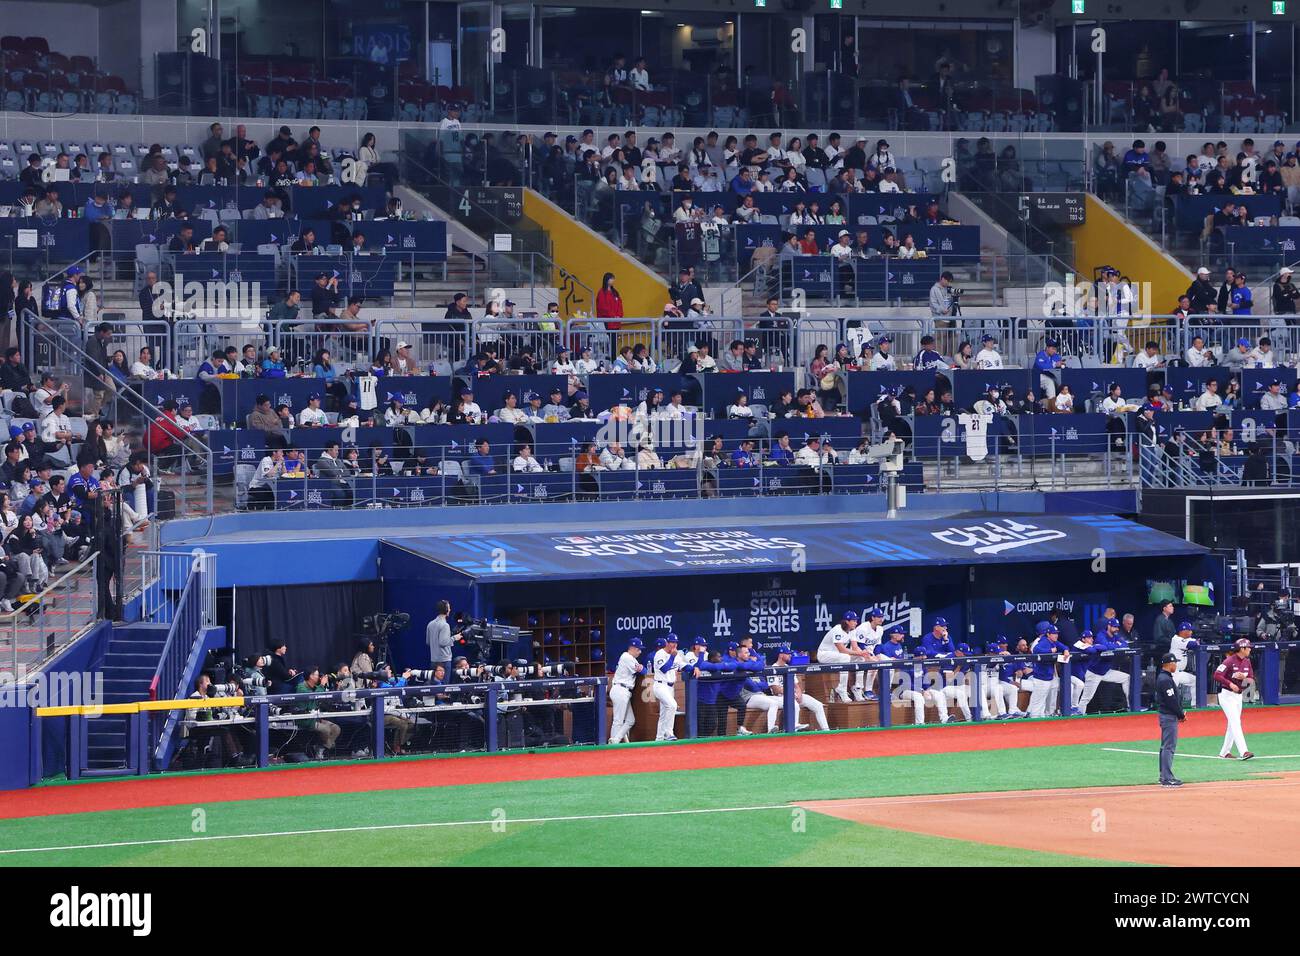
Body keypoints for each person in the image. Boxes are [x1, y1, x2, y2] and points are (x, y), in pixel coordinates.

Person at [816, 609, 872, 704]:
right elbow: (842, 649)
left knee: (860, 658)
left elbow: (855, 647)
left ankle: (858, 688)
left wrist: (864, 654)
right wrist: (860, 653)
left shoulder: (852, 630)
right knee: (845, 657)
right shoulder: (837, 630)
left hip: (838, 655)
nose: (856, 623)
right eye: (854, 621)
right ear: (847, 621)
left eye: (856, 620)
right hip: (824, 654)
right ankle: (841, 689)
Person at [1213, 638, 1256, 760]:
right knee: (1236, 722)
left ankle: (1224, 752)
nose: (1250, 649)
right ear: (1242, 648)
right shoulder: (1229, 661)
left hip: (1238, 696)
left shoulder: (1247, 662)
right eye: (1248, 647)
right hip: (1227, 695)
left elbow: (1251, 679)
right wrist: (1230, 683)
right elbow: (1217, 675)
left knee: (1232, 724)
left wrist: (1244, 678)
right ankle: (1244, 751)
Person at [1155, 652, 1186, 787]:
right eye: (1175, 663)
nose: (1176, 665)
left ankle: (1163, 776)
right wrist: (1180, 714)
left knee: (1165, 747)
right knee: (1168, 747)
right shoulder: (1165, 679)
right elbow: (1171, 701)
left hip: (1166, 715)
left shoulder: (1164, 677)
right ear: (1170, 664)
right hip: (1168, 716)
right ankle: (1167, 777)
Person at [1027, 624, 1069, 717]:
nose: (1056, 635)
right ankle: (1034, 718)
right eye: (1054, 633)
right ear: (1048, 634)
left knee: (1042, 701)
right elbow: (1036, 650)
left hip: (1047, 677)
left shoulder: (1054, 641)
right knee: (1038, 701)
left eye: (1057, 633)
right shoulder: (1044, 641)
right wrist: (1050, 650)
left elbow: (1064, 646)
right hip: (1040, 677)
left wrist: (1066, 650)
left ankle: (1039, 717)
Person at [608, 637, 645, 744]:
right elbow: (643, 671)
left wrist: (642, 668)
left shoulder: (631, 658)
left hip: (624, 691)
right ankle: (612, 747)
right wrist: (641, 668)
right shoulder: (626, 657)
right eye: (638, 649)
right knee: (618, 721)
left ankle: (615, 740)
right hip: (620, 689)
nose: (640, 652)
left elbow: (643, 670)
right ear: (632, 648)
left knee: (630, 720)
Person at [650, 633, 685, 741]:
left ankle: (659, 738)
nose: (674, 645)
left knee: (664, 714)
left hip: (670, 687)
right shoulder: (660, 654)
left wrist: (694, 668)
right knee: (672, 705)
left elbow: (684, 666)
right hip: (660, 685)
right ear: (667, 643)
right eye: (672, 642)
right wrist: (672, 656)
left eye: (675, 643)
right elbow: (664, 669)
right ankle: (668, 733)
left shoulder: (677, 655)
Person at [1168, 621, 1200, 704]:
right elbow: (1192, 644)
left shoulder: (1185, 639)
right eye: (1189, 630)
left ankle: (1194, 705)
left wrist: (1197, 641)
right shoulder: (1175, 639)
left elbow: (1197, 642)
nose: (1191, 632)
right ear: (1183, 631)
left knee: (1195, 681)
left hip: (1179, 673)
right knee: (1170, 694)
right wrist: (1196, 642)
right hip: (1172, 673)